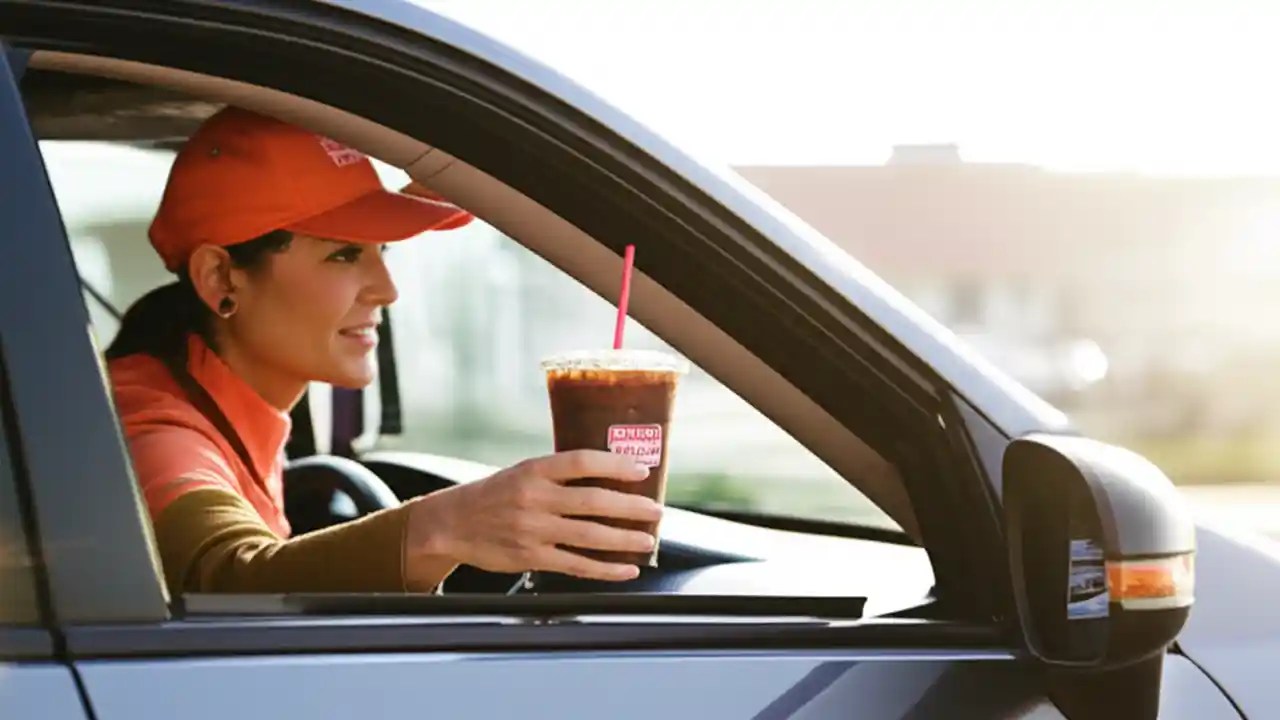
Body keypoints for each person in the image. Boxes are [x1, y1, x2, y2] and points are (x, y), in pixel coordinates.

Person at [108, 106, 661, 594]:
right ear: (221, 275)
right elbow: (229, 580)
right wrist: (448, 526)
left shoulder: (226, 407)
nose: (387, 289)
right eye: (345, 255)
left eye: (381, 252)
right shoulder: (155, 427)